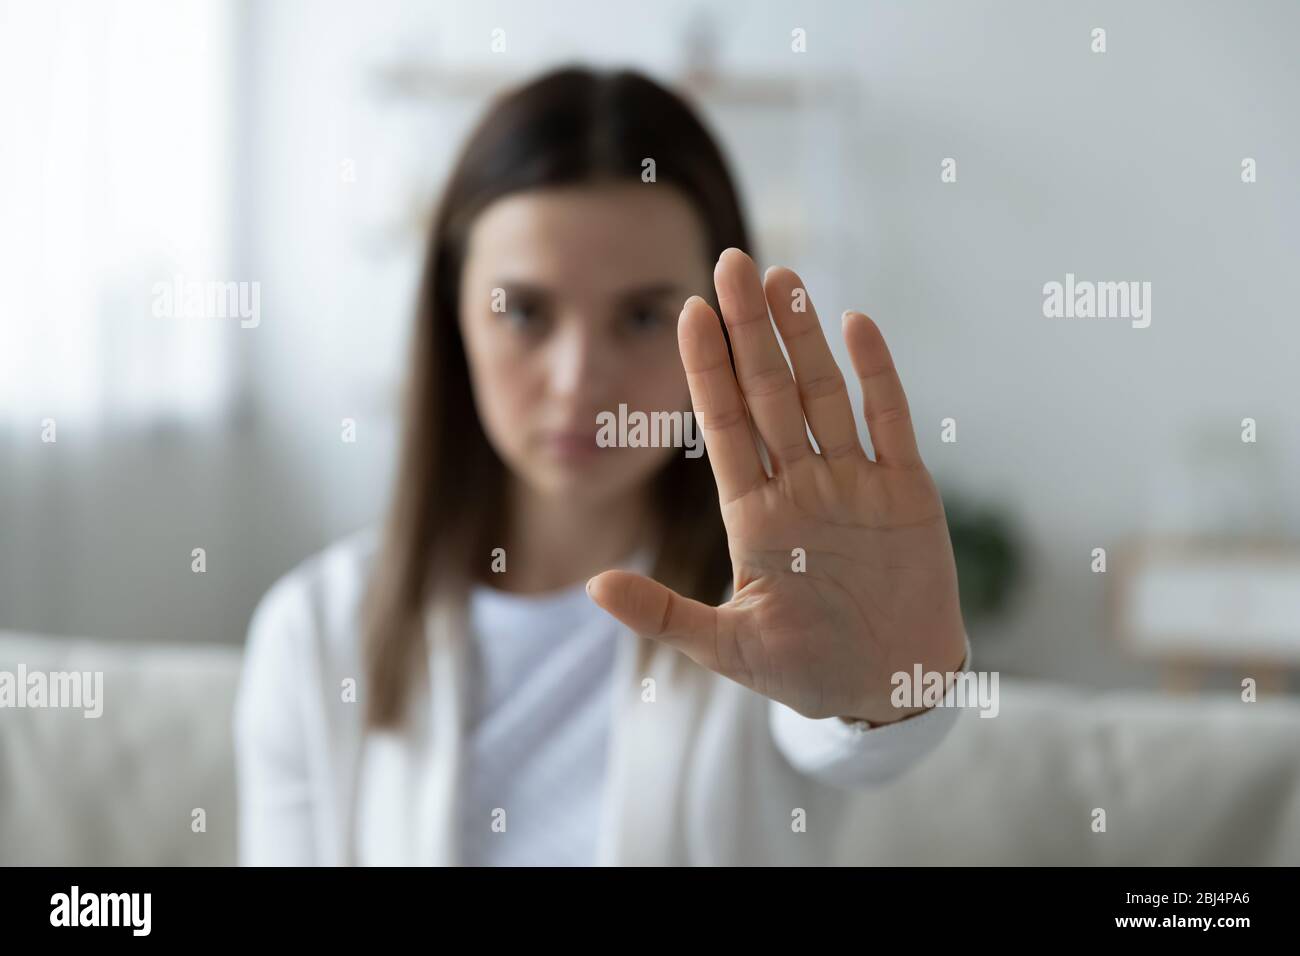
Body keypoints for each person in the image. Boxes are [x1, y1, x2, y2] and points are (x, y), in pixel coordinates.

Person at [233, 66, 971, 866]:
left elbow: (849, 730)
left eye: (645, 315)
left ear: (724, 332)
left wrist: (894, 693)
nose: (580, 379)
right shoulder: (314, 630)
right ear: (453, 320)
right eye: (523, 311)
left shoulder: (780, 603)